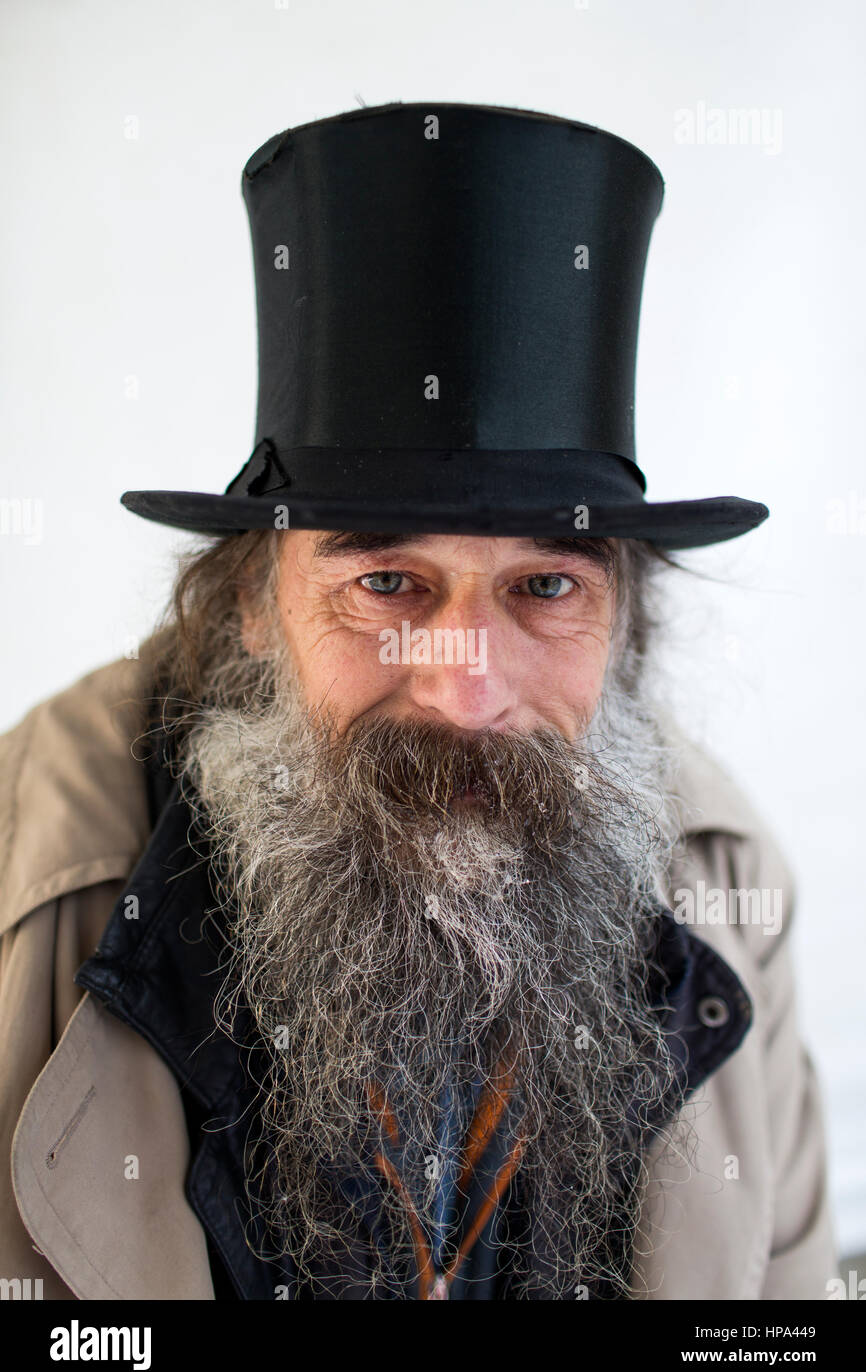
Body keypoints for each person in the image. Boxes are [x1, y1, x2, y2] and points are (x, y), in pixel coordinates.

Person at [0, 101, 836, 1300]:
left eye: (545, 586)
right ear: (250, 603)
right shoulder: (23, 881)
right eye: (387, 581)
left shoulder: (728, 880)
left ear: (624, 620)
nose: (465, 688)